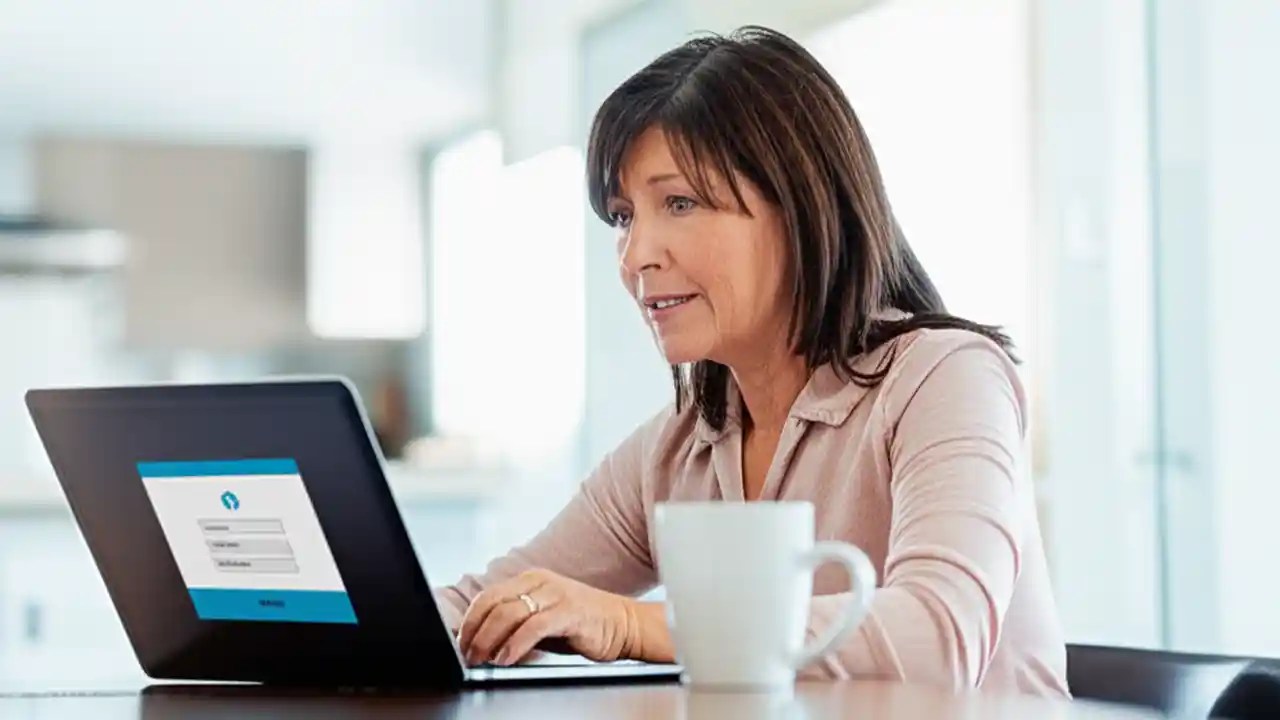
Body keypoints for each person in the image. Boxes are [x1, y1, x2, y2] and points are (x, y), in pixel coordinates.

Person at [435, 26, 1069, 697]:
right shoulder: (679, 446)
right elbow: (486, 604)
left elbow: (938, 634)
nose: (635, 255)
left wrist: (631, 624)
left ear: (798, 205)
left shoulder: (945, 377)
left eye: (679, 203)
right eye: (623, 217)